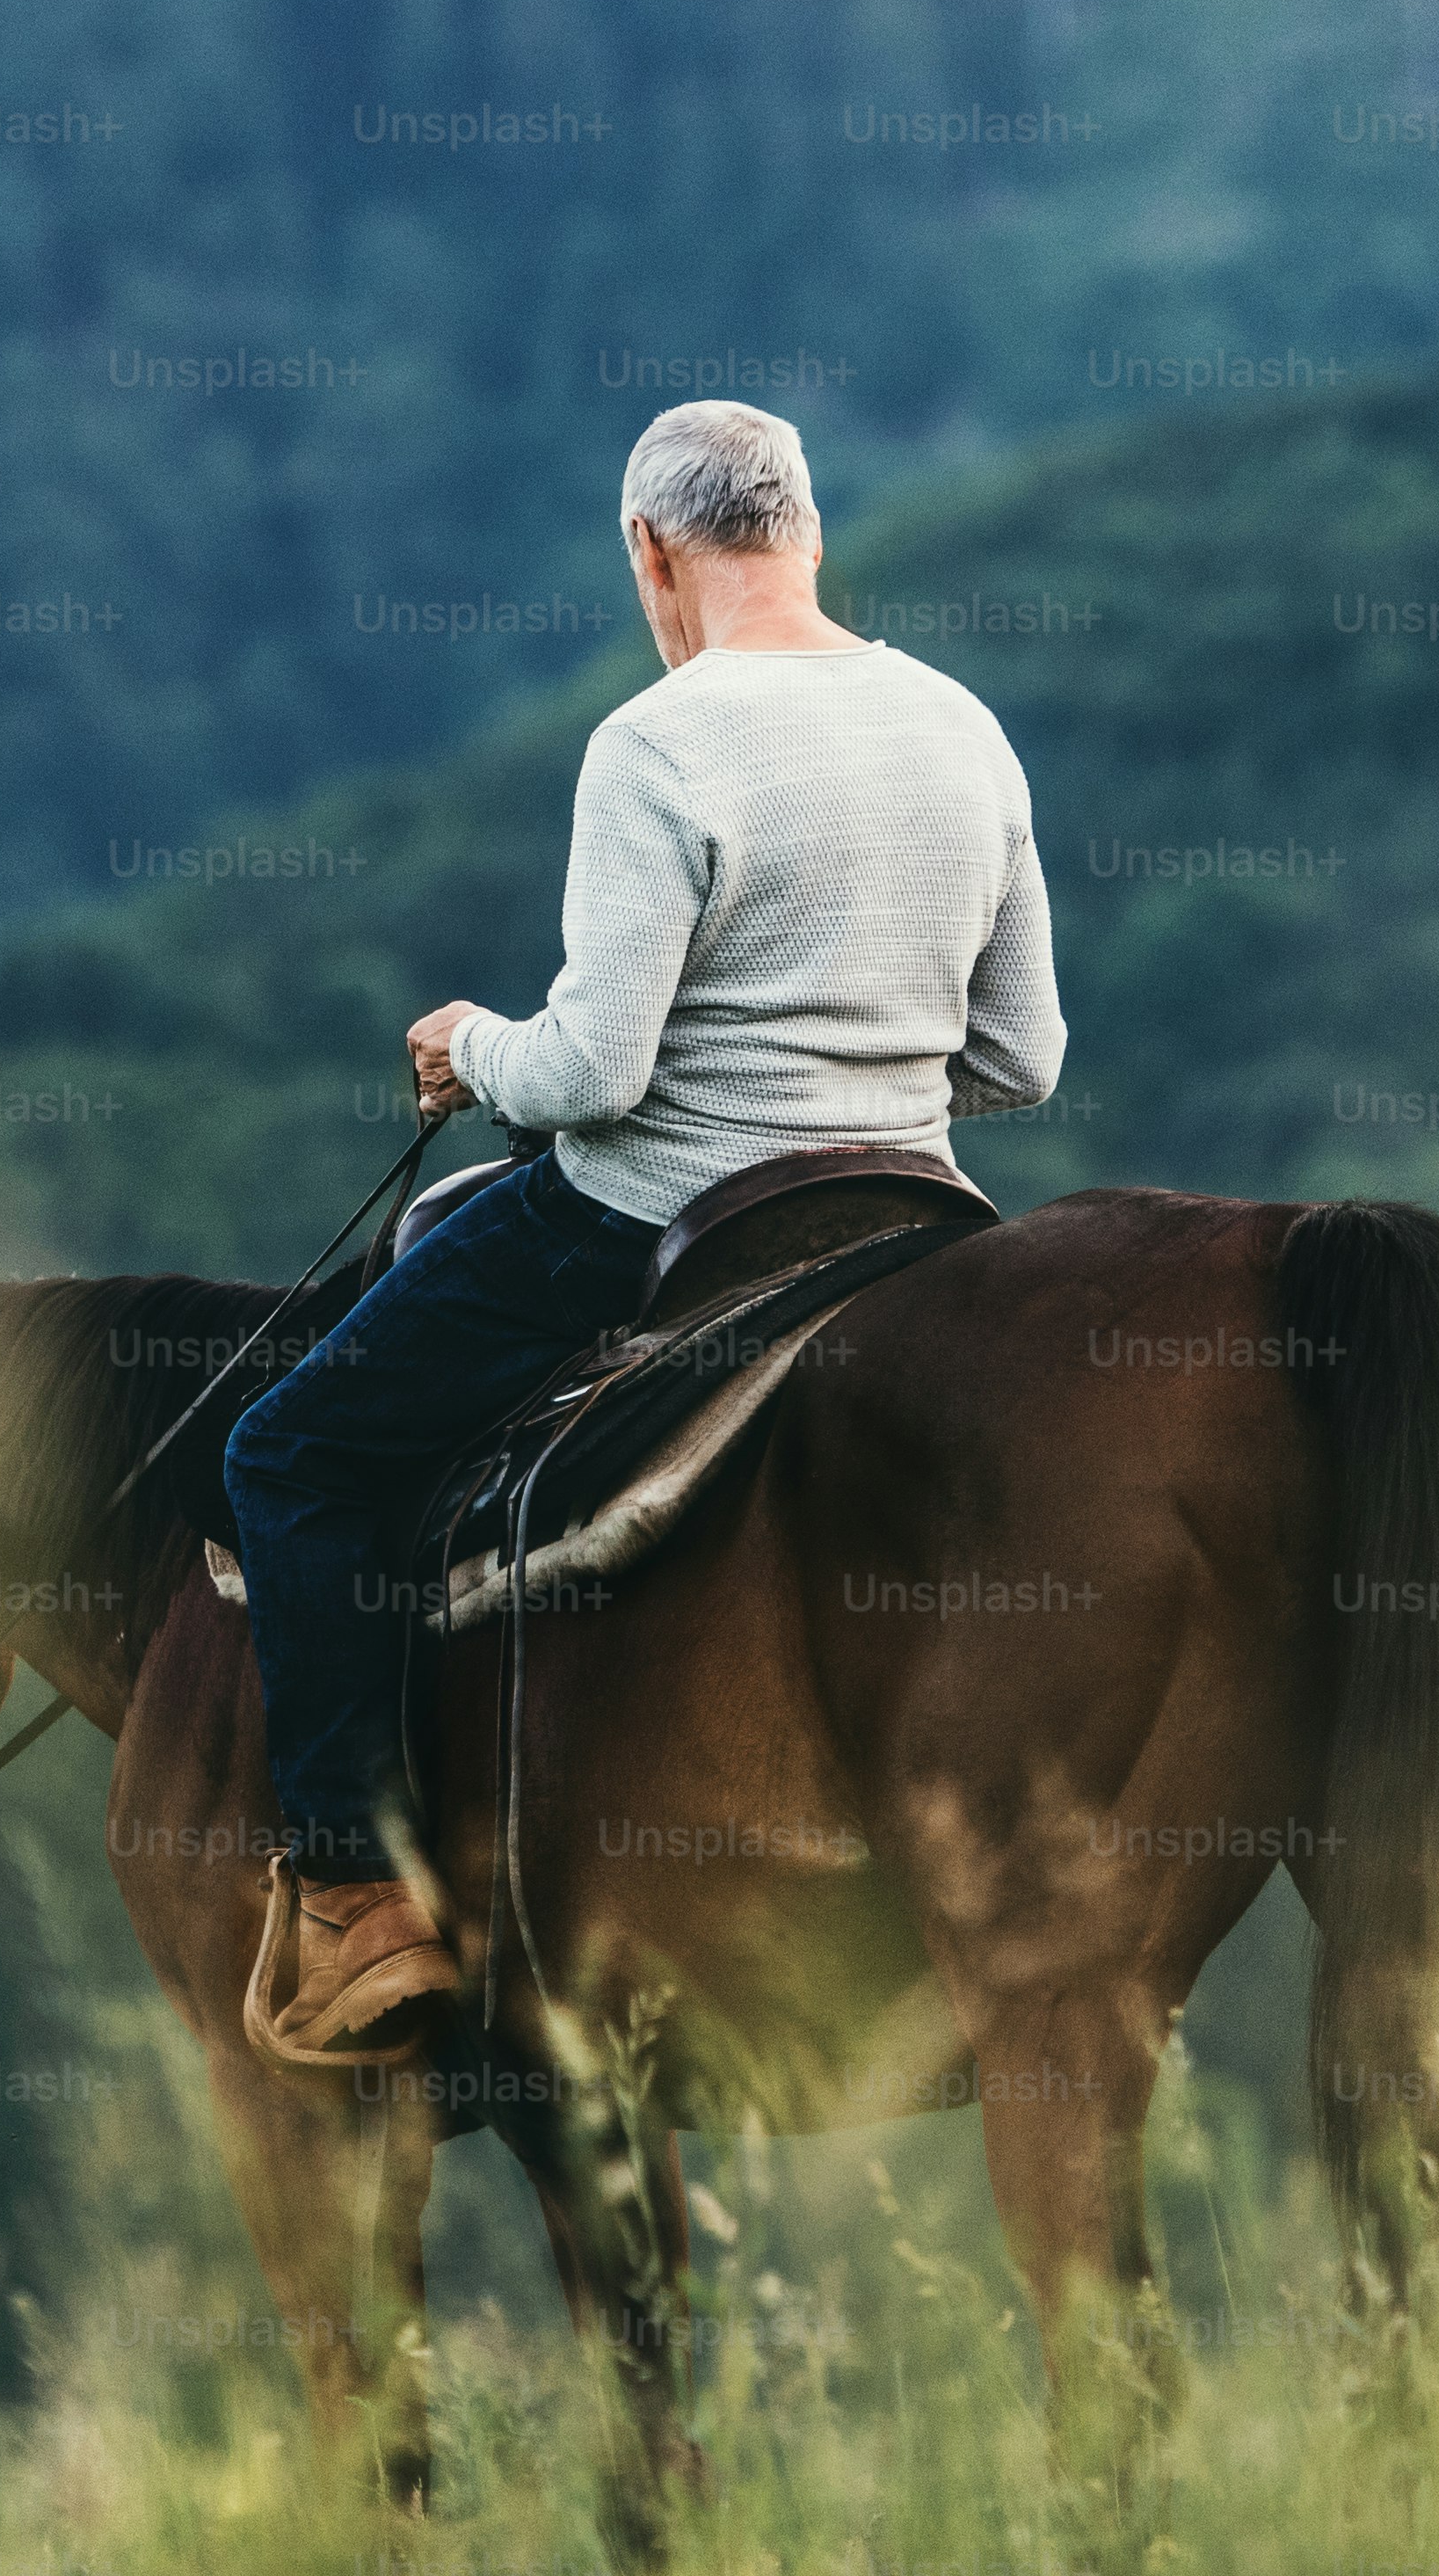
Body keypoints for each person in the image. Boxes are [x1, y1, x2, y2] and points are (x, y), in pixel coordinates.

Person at [226, 399, 1067, 2063]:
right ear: (810, 532)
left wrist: (468, 1044)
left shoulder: (660, 741)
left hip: (661, 1217)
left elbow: (592, 1075)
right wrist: (857, 1078)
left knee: (288, 1452)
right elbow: (1023, 1059)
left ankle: (355, 1899)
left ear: (651, 554)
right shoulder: (963, 724)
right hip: (912, 1214)